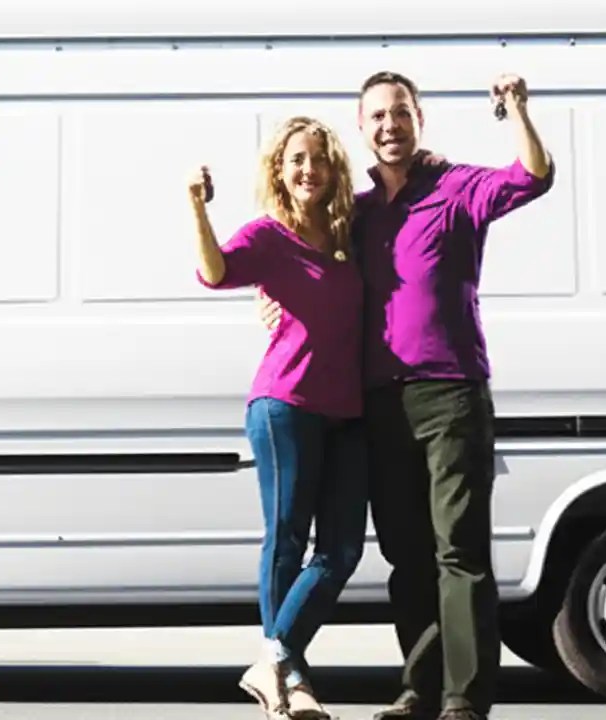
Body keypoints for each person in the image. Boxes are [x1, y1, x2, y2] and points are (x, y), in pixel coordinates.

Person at [257, 72, 555, 720]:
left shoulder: (458, 187)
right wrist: (273, 296)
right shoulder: (355, 213)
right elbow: (302, 256)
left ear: (419, 118)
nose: (389, 125)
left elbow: (533, 175)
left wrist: (519, 112)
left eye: (400, 113)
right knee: (406, 555)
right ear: (362, 130)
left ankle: (464, 700)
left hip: (450, 393)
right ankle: (419, 691)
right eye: (377, 117)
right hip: (378, 403)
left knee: (459, 550)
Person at [188, 116, 369, 720]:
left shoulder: (351, 231)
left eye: (318, 158)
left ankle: (274, 660)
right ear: (279, 169)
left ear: (333, 168)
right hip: (284, 404)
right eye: (296, 159)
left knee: (341, 550)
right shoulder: (269, 234)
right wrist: (197, 208)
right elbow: (215, 272)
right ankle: (290, 680)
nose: (308, 169)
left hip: (347, 410)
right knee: (287, 538)